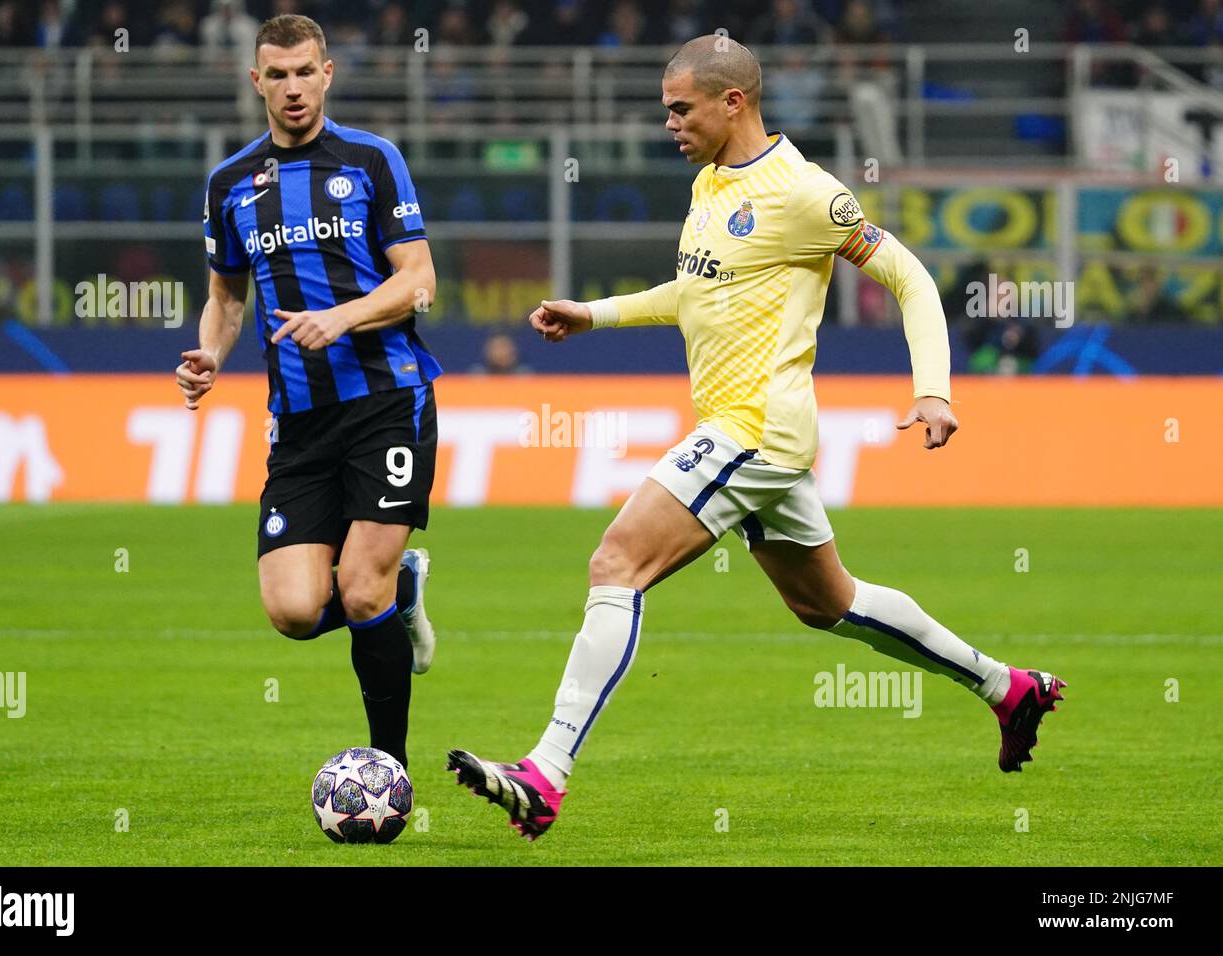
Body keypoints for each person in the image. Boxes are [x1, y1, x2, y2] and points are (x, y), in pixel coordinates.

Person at [448, 34, 1065, 840]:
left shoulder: (806, 193)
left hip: (755, 434)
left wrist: (933, 392)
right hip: (746, 437)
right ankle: (1008, 688)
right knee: (829, 603)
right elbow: (696, 292)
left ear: (731, 101)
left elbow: (910, 277)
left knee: (616, 562)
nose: (668, 122)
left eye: (681, 108)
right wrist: (595, 314)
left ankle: (547, 772)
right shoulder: (709, 183)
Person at [176, 14, 441, 773]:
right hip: (297, 419)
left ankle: (388, 770)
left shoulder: (371, 159)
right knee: (294, 612)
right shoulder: (230, 183)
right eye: (277, 75)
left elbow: (418, 281)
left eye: (305, 72)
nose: (293, 89)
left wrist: (341, 318)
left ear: (328, 74)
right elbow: (226, 299)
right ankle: (405, 595)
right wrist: (209, 355)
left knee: (359, 591)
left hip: (388, 400)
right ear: (256, 81)